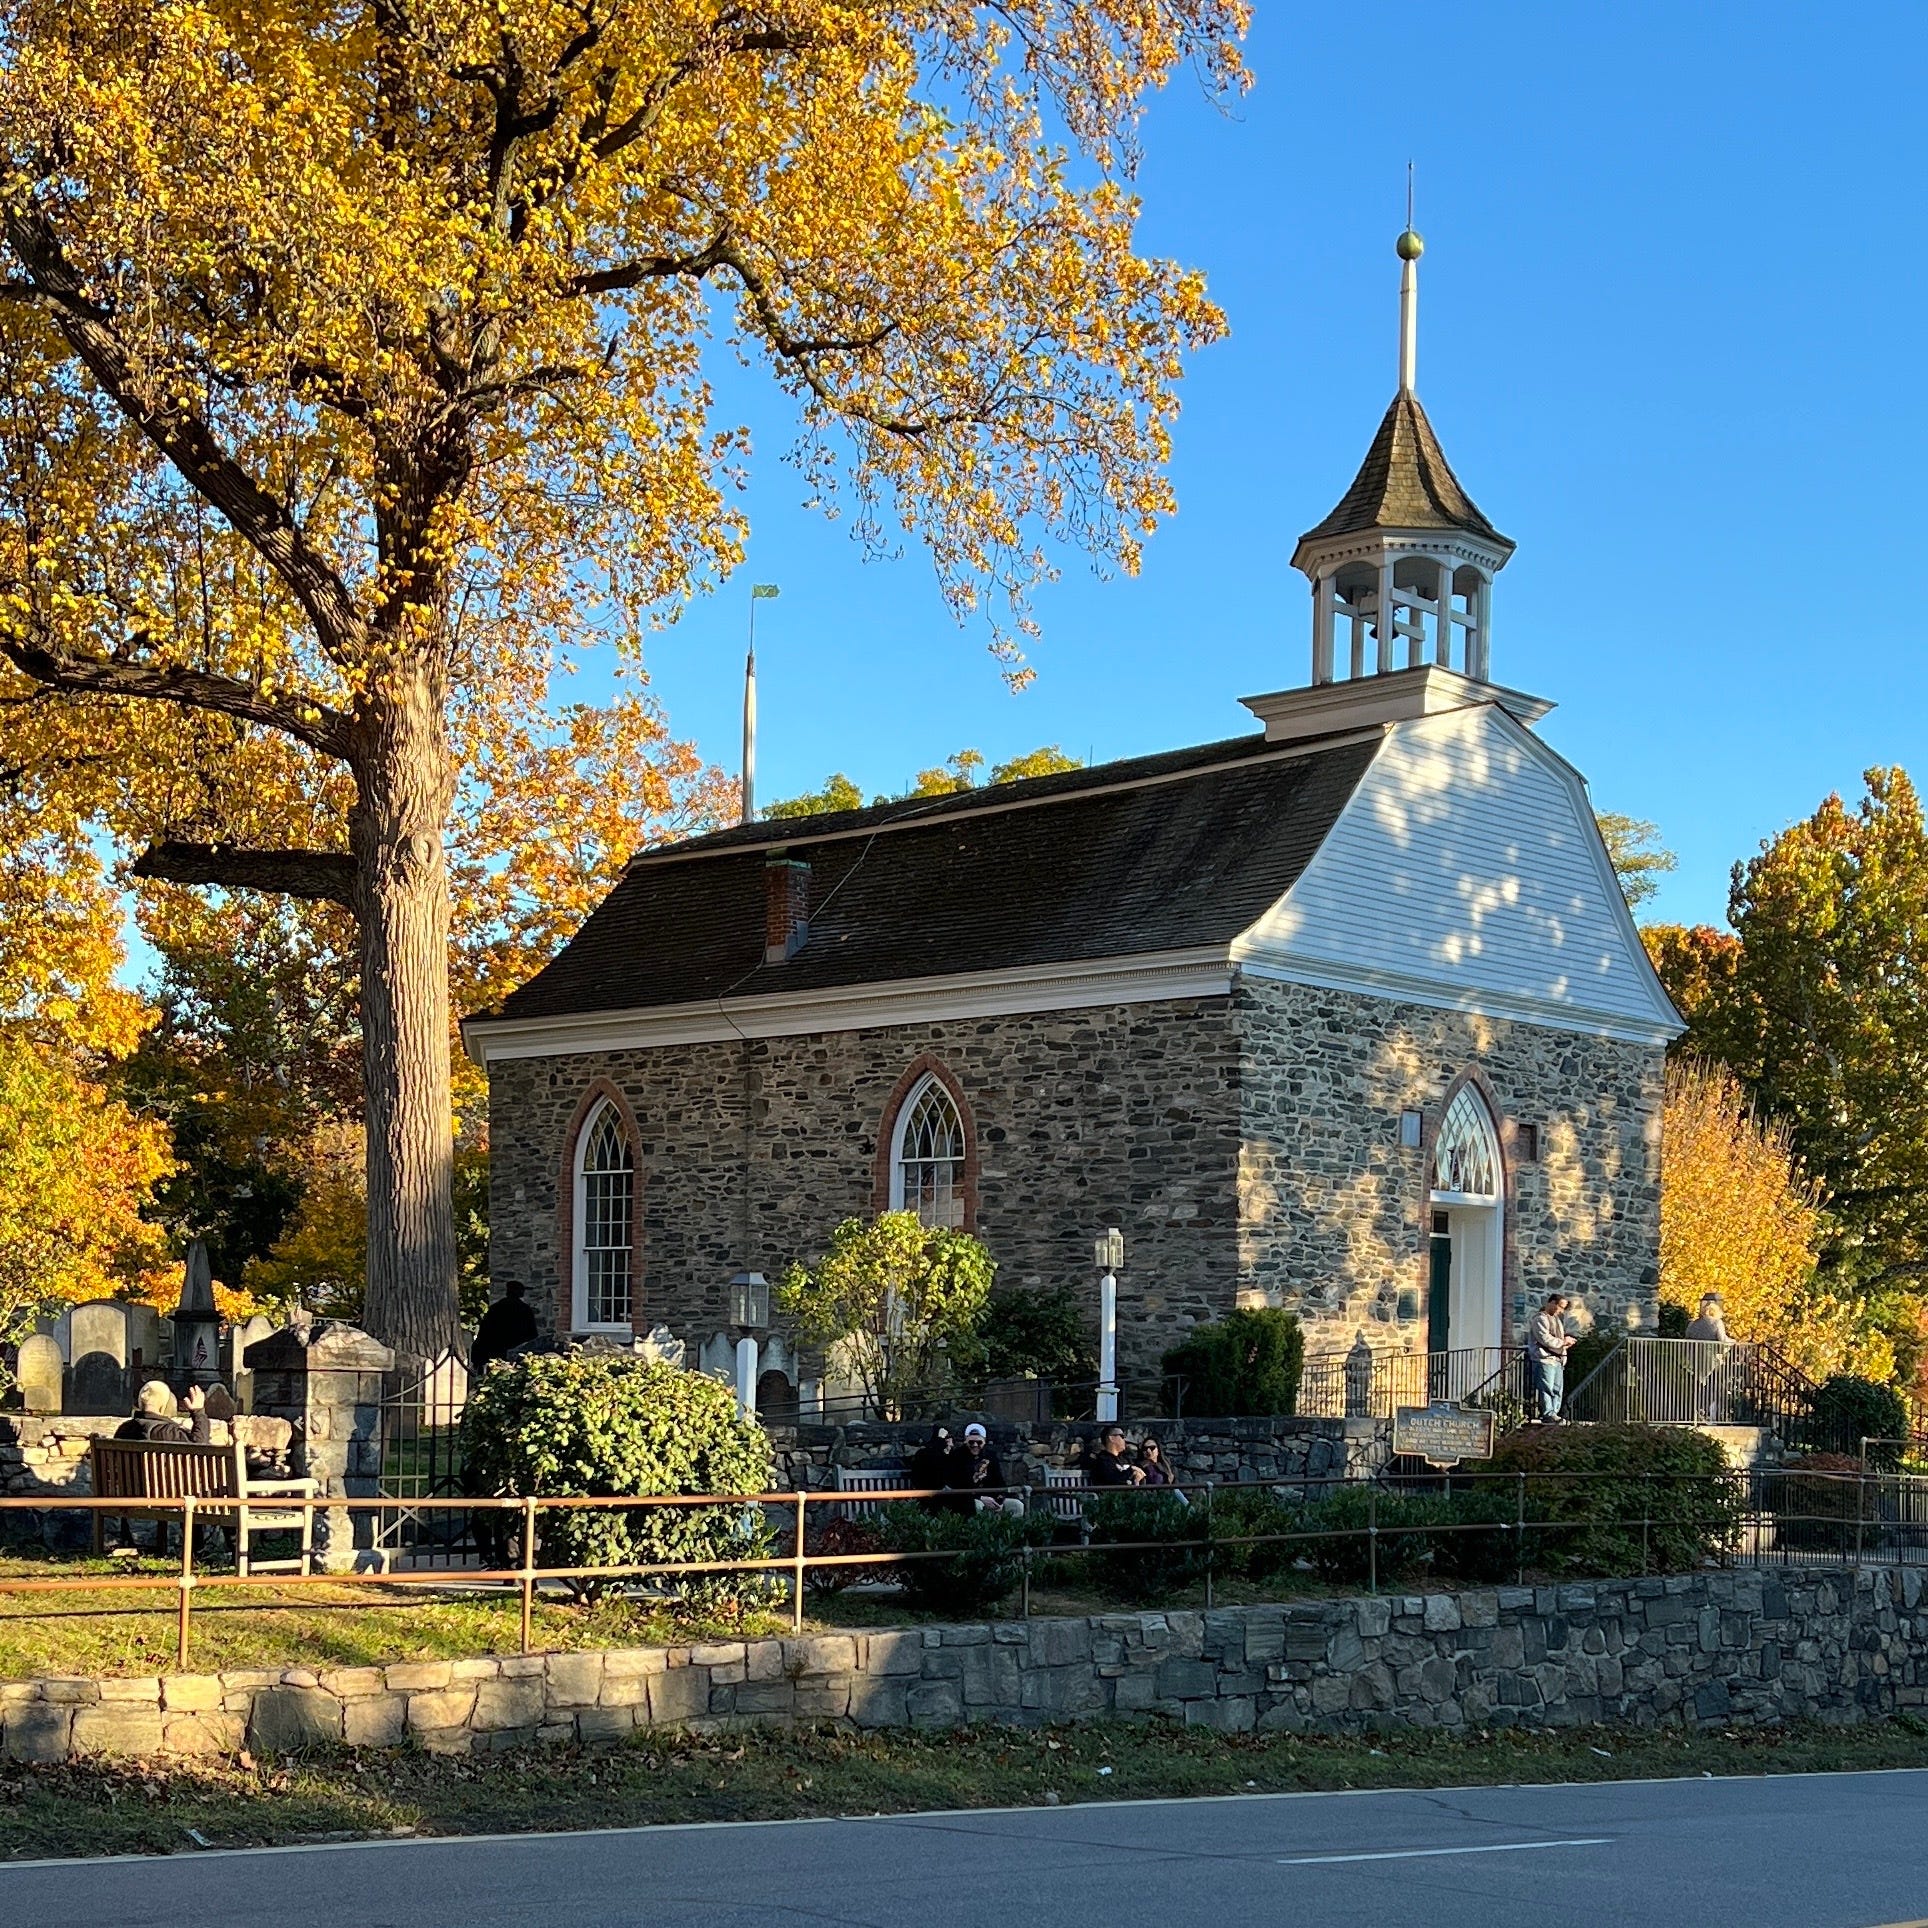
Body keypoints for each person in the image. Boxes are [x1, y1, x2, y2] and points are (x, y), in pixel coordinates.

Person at [950, 1422, 1024, 1518]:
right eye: (971, 1442)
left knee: (1017, 1505)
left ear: (984, 1441)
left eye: (979, 1442)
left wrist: (999, 1500)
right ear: (965, 1441)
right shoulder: (957, 1457)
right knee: (978, 1506)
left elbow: (999, 1481)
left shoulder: (991, 1456)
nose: (975, 1445)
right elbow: (957, 1485)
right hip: (969, 1499)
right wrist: (980, 1498)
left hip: (992, 1498)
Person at [471, 1279, 539, 1372]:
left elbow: (484, 1330)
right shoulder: (524, 1309)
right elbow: (532, 1334)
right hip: (514, 1350)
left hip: (494, 1348)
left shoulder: (496, 1308)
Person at [1526, 1293, 1574, 1423]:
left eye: (1563, 1308)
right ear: (1551, 1303)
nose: (1561, 1310)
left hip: (1557, 1359)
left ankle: (1555, 1414)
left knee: (1557, 1389)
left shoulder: (1557, 1320)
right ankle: (1548, 1414)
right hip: (1545, 1358)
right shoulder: (1540, 1319)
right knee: (1546, 1388)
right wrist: (1564, 1342)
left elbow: (1555, 1341)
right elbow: (1545, 1339)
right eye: (1560, 1306)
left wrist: (1565, 1346)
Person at [116, 1380, 211, 1445]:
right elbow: (199, 1446)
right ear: (163, 1406)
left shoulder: (124, 1429)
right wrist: (198, 1412)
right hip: (158, 1475)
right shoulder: (166, 1432)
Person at [1685, 1293, 1731, 1421]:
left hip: (1694, 1359)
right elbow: (1722, 1341)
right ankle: (1707, 1411)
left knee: (1696, 1385)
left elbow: (1687, 1338)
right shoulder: (1717, 1323)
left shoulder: (1693, 1324)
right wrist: (1731, 1343)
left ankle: (1694, 1411)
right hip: (1711, 1360)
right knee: (1713, 1386)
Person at [908, 1424, 955, 1512]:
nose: (950, 1444)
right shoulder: (923, 1454)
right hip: (928, 1497)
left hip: (950, 1498)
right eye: (946, 1439)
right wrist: (939, 1441)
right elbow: (932, 1466)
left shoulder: (953, 1456)